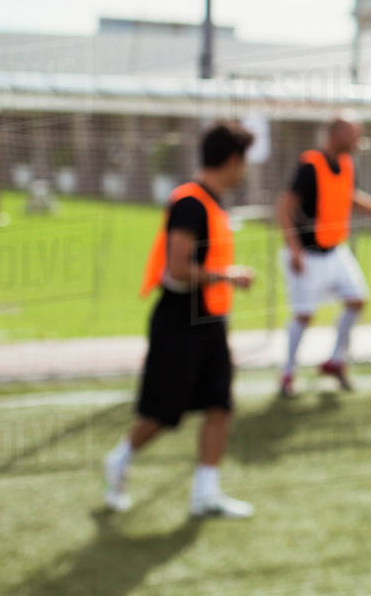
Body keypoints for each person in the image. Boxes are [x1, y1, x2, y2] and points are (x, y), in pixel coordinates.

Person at [104, 122, 258, 518]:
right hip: (178, 319)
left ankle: (205, 494)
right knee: (161, 414)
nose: (245, 170)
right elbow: (177, 268)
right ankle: (119, 460)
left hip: (210, 321)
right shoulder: (190, 202)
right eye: (244, 161)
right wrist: (229, 275)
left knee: (220, 405)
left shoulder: (214, 202)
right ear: (232, 159)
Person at [275, 116, 371, 396]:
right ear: (337, 133)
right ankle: (287, 373)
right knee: (304, 316)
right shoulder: (310, 165)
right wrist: (295, 250)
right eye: (354, 133)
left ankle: (335, 360)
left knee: (357, 300)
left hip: (335, 251)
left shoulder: (346, 164)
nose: (359, 138)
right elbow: (284, 207)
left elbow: (350, 197)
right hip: (307, 254)